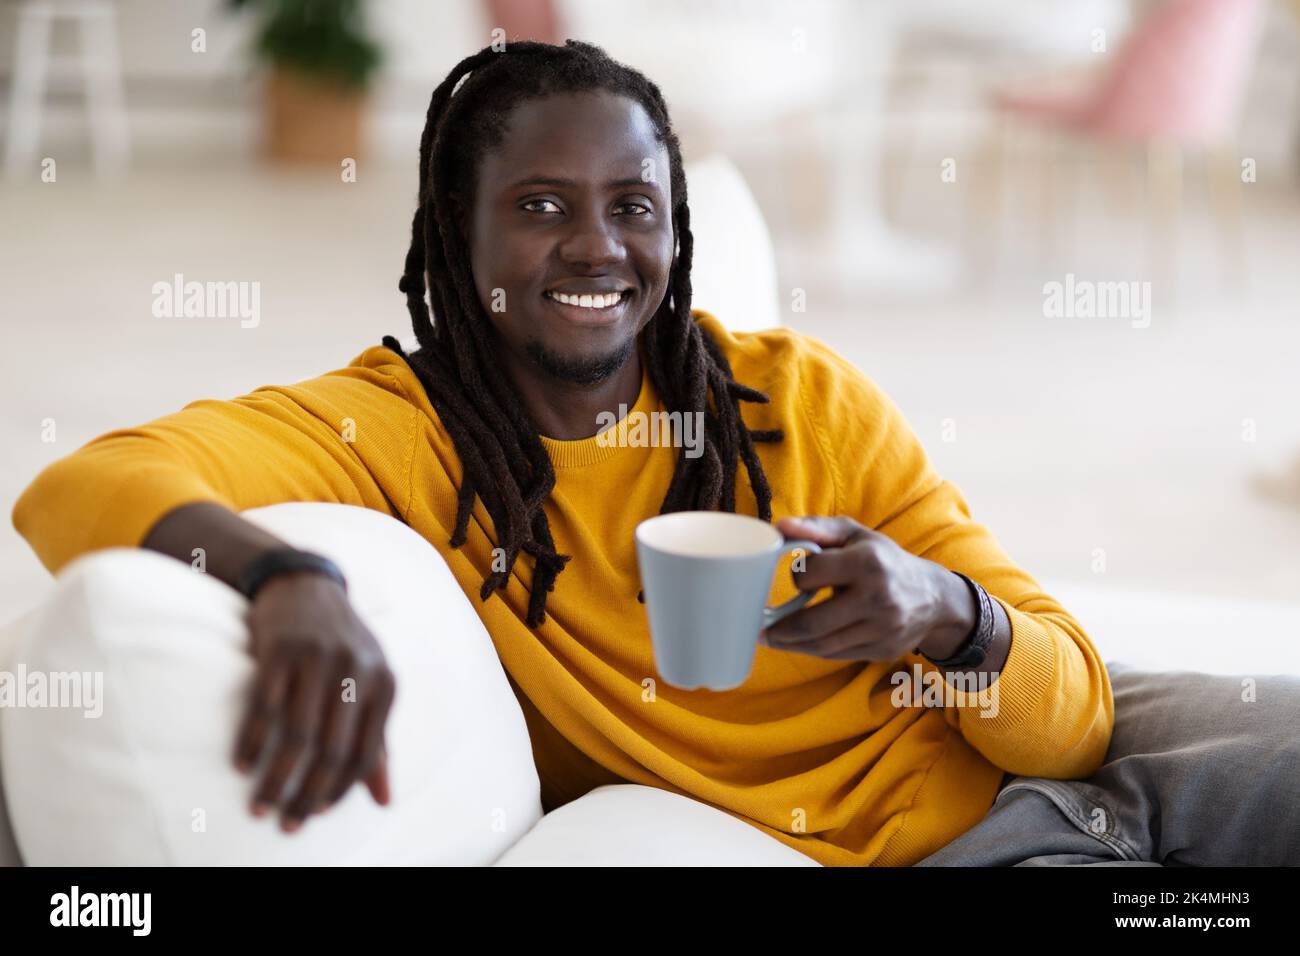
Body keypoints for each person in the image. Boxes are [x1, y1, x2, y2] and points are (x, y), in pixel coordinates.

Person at [13, 40, 1297, 866]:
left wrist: (938, 611)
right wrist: (288, 577)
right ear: (452, 235)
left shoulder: (794, 398)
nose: (596, 248)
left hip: (1091, 745)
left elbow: (1070, 715)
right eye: (539, 207)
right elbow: (78, 486)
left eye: (634, 208)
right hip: (977, 848)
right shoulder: (401, 429)